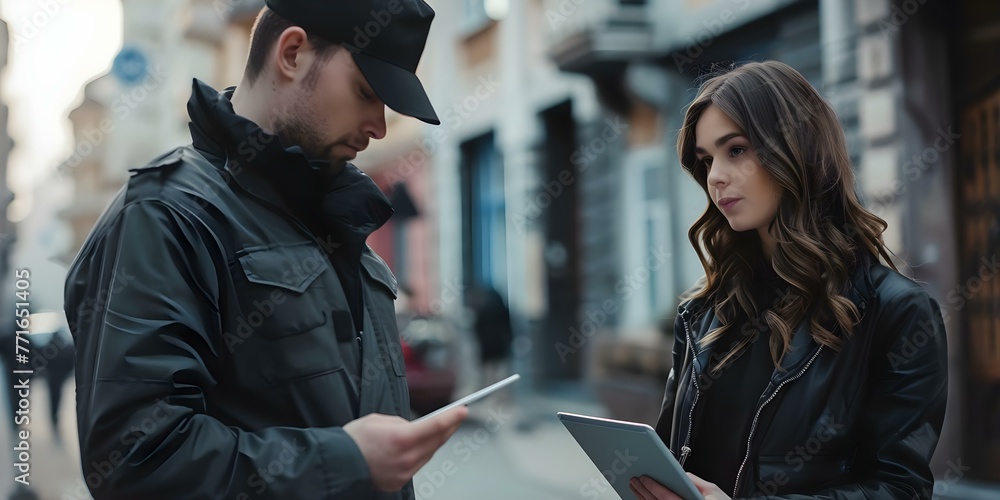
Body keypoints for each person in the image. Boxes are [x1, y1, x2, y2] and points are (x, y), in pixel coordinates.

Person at [63, 1, 466, 498]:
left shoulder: (341, 223)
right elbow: (134, 461)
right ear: (293, 53)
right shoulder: (166, 216)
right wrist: (340, 462)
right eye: (366, 92)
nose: (378, 125)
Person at [630, 61, 948, 499]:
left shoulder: (895, 312)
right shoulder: (703, 313)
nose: (716, 176)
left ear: (796, 150)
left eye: (736, 150)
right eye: (706, 161)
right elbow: (672, 459)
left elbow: (899, 489)